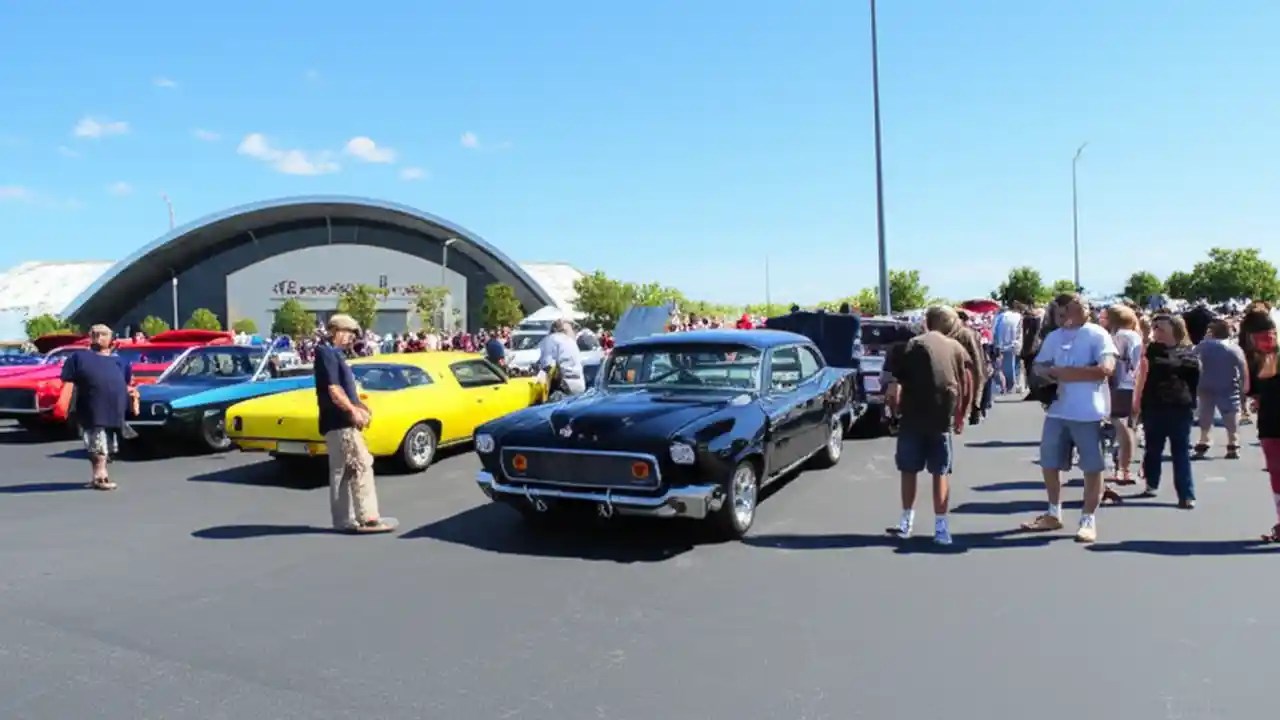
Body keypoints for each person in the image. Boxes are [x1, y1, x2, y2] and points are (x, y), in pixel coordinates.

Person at [1021, 294, 1118, 544]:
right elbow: (1039, 366)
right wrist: (1052, 374)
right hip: (1057, 409)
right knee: (1049, 462)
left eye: (1078, 308)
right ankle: (1054, 512)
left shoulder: (1097, 334)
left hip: (1089, 412)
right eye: (1063, 311)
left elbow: (1106, 368)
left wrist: (1066, 373)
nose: (1069, 315)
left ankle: (1088, 519)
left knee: (1092, 467)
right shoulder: (1054, 337)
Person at [884, 306, 972, 546]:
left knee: (909, 469)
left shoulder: (911, 345)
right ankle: (941, 526)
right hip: (941, 417)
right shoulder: (956, 347)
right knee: (940, 471)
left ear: (927, 322)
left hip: (912, 416)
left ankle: (906, 521)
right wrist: (961, 413)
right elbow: (967, 381)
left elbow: (894, 387)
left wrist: (893, 411)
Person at [314, 314, 396, 534]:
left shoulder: (334, 355)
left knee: (346, 470)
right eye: (349, 333)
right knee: (360, 465)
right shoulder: (327, 353)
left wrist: (360, 407)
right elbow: (334, 390)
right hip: (340, 423)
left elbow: (345, 389)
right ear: (336, 331)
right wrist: (352, 411)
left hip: (340, 422)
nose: (352, 339)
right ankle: (367, 517)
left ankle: (346, 520)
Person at [54, 324, 138, 491]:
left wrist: (133, 399)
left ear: (111, 338)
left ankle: (100, 474)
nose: (98, 337)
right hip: (92, 409)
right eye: (94, 334)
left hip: (115, 411)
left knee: (109, 446)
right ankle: (100, 477)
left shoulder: (120, 361)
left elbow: (126, 382)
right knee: (97, 444)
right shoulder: (78, 358)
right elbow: (67, 382)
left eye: (103, 334)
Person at [1134, 314, 1201, 508]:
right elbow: (1140, 377)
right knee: (1153, 448)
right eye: (1155, 328)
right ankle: (1151, 483)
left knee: (1180, 451)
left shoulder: (1188, 352)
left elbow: (1194, 381)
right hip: (1154, 405)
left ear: (1175, 330)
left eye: (1161, 328)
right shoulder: (1150, 351)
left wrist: (1194, 405)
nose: (1157, 331)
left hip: (1180, 406)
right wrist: (1137, 405)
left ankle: (1186, 494)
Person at [1246, 316, 1280, 541]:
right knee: (1276, 474)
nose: (1268, 339)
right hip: (1269, 422)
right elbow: (1254, 387)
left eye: (1271, 334)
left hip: (1271, 421)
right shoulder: (1255, 359)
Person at [1193, 318, 1247, 460]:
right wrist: (1245, 384)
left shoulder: (1203, 345)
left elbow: (1192, 360)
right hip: (1228, 384)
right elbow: (1242, 367)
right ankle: (1233, 442)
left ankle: (1204, 439)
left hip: (1205, 384)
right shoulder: (1234, 348)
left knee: (1205, 412)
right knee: (1230, 412)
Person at [1104, 304, 1144, 486]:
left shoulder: (1121, 336)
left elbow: (1122, 361)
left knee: (1121, 425)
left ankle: (1123, 468)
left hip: (1122, 384)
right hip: (1130, 383)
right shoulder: (1134, 335)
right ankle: (1124, 466)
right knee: (1129, 426)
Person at [537, 318, 586, 397]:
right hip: (580, 385)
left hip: (564, 386)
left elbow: (547, 365)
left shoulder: (551, 339)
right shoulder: (571, 341)